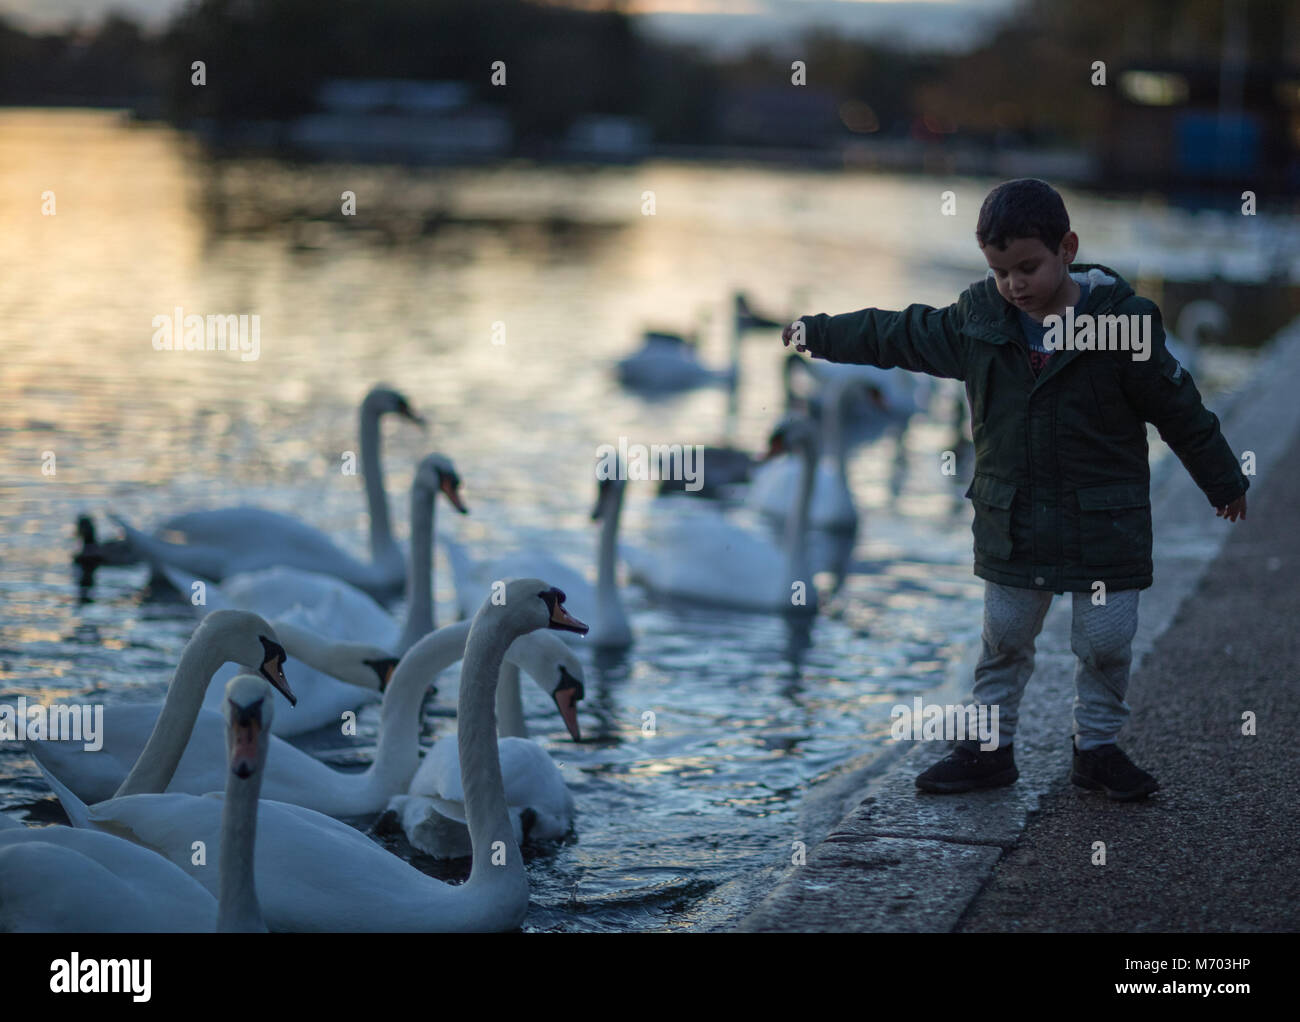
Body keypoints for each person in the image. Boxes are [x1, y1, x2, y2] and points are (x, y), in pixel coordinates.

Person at [782, 178, 1248, 801]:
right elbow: (895, 333)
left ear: (1067, 248)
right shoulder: (978, 325)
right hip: (1014, 519)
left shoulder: (1123, 329)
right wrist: (818, 333)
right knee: (1003, 640)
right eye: (1000, 272)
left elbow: (1180, 408)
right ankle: (990, 750)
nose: (1014, 285)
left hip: (1103, 522)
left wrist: (1223, 480)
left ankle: (1097, 750)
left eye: (1028, 267)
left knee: (1104, 643)